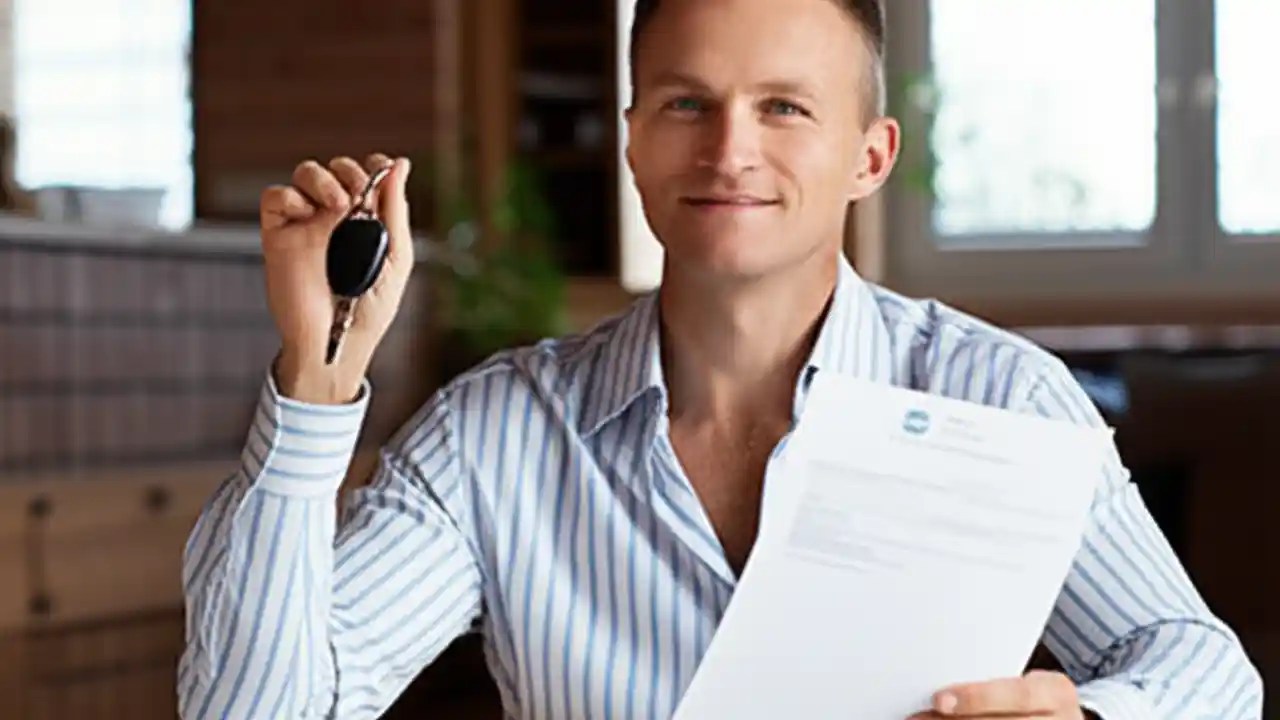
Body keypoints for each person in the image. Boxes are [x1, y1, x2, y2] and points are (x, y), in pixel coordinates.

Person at [177, 0, 1264, 717]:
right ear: (634, 139)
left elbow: (1211, 678)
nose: (728, 149)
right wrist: (318, 376)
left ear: (866, 156)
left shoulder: (1005, 398)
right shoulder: (491, 438)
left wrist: (1082, 716)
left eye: (783, 108)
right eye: (685, 104)